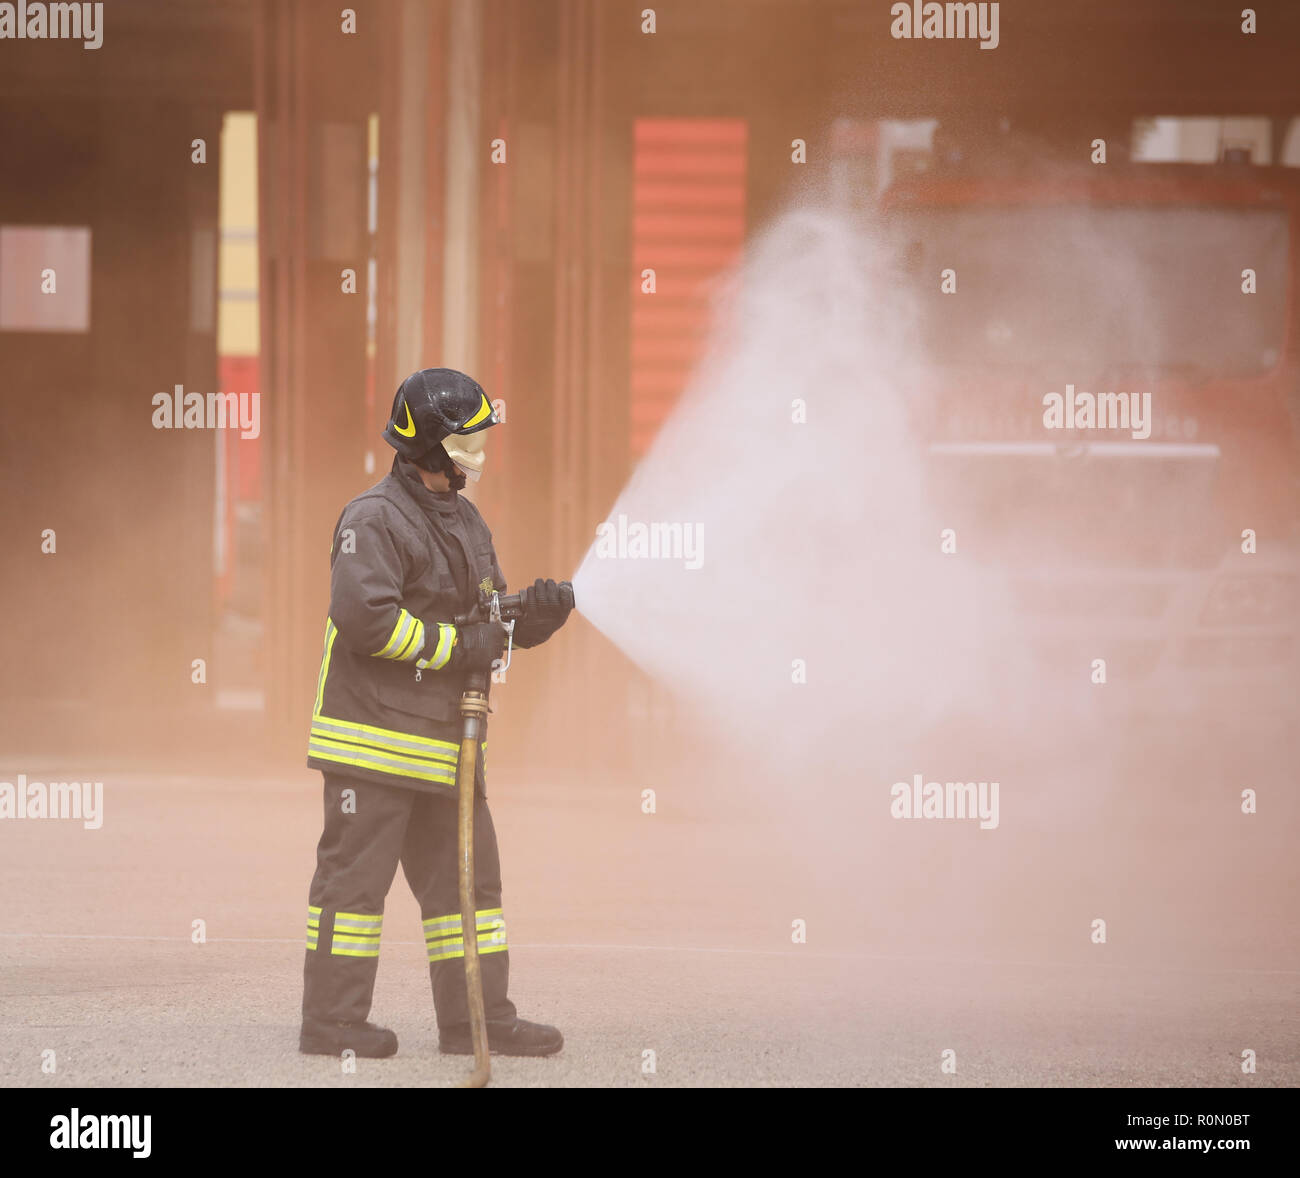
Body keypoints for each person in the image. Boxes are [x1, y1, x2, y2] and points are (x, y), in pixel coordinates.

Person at [298, 367, 573, 1059]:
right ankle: (331, 1022)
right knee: (353, 891)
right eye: (465, 438)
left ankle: (478, 1020)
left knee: (471, 893)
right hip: (374, 743)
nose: (476, 452)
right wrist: (464, 645)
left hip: (444, 747)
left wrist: (526, 621)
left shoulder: (465, 520)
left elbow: (481, 624)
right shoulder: (374, 519)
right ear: (429, 442)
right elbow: (369, 622)